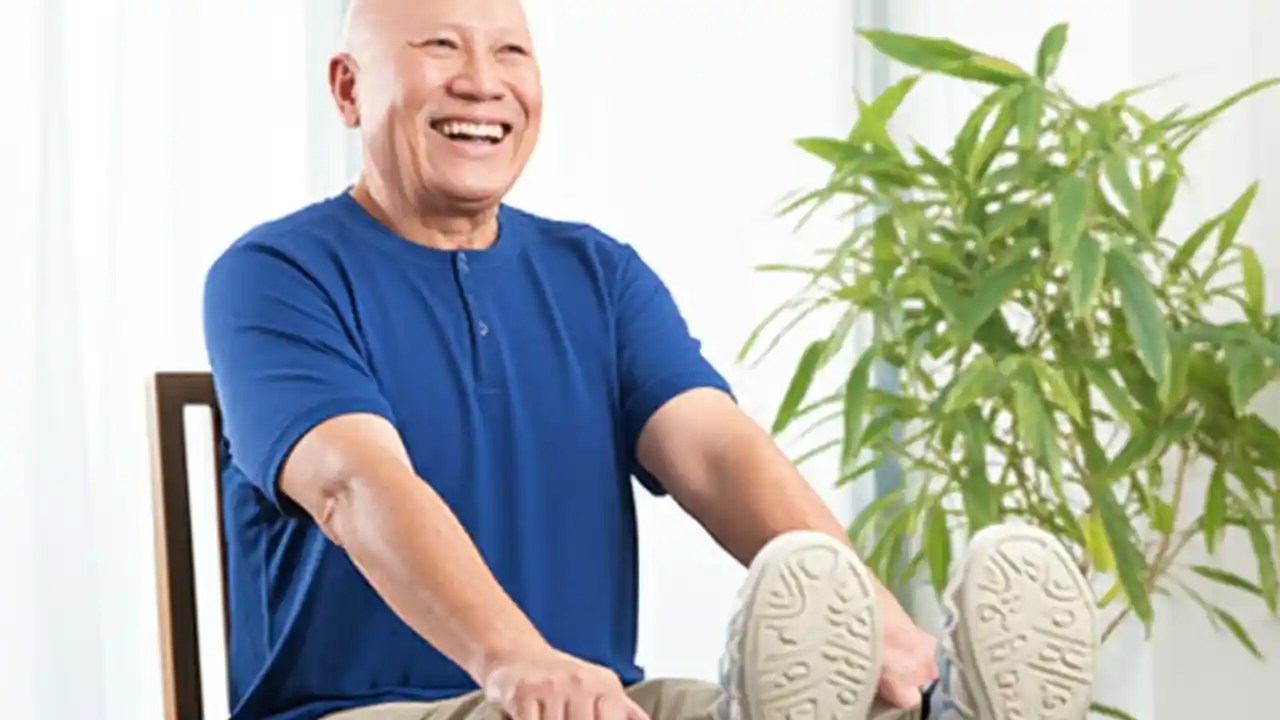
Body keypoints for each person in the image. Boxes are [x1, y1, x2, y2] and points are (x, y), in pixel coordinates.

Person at [201, 0, 1099, 719]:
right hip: (368, 709)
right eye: (442, 46)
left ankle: (955, 709)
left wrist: (884, 628)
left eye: (512, 53)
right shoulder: (275, 276)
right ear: (350, 89)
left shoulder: (595, 273)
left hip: (603, 701)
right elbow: (356, 485)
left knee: (810, 706)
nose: (483, 83)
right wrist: (517, 662)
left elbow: (714, 451)